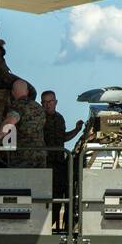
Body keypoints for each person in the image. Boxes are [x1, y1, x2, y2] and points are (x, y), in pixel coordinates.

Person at [41, 90, 85, 227]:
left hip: (59, 164)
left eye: (50, 101)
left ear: (56, 102)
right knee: (45, 199)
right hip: (45, 165)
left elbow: (63, 138)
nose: (48, 105)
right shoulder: (39, 119)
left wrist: (77, 130)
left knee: (58, 198)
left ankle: (53, 225)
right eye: (45, 102)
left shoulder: (60, 118)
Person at [0, 79, 47, 168]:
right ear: (27, 91)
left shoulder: (17, 106)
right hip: (40, 154)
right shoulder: (39, 107)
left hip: (23, 155)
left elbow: (9, 122)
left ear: (13, 92)